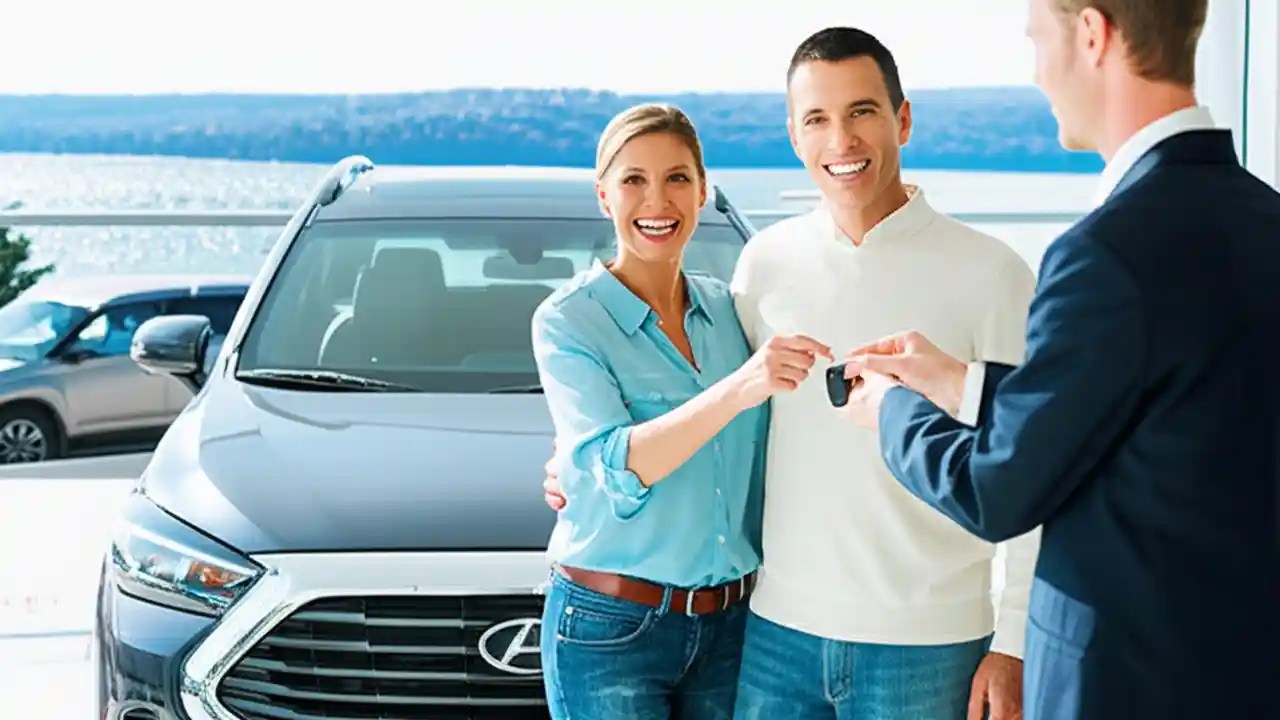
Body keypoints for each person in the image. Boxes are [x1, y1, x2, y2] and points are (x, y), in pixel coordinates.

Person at [546, 28, 1042, 720]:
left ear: (902, 119)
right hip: (774, 635)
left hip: (930, 645)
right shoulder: (764, 267)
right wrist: (577, 467)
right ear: (794, 135)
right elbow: (713, 408)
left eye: (862, 111)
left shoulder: (992, 274)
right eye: (817, 119)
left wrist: (1014, 644)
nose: (841, 140)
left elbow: (1036, 468)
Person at [838, 1, 1280, 718]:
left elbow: (996, 491)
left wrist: (894, 410)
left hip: (1126, 684)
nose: (1038, 75)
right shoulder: (1263, 220)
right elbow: (1154, 408)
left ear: (1091, 33)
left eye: (1037, 41)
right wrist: (961, 382)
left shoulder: (1104, 253)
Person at [531, 101, 832, 720]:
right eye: (633, 181)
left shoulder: (733, 312)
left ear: (702, 191)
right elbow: (614, 464)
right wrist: (739, 388)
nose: (657, 202)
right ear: (603, 196)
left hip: (735, 625)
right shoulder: (568, 322)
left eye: (676, 179)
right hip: (610, 628)